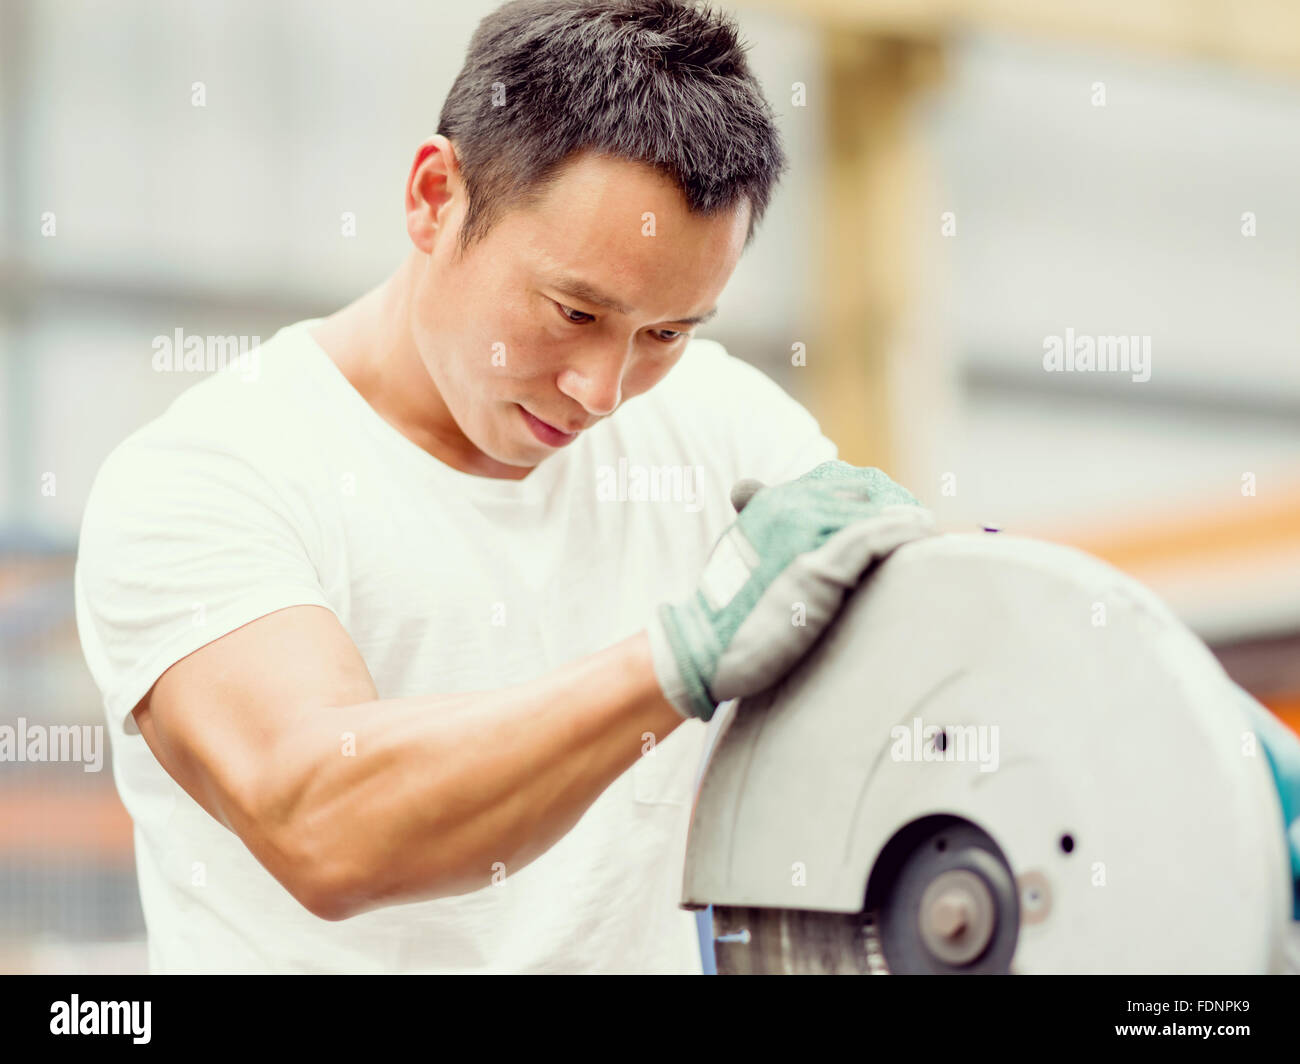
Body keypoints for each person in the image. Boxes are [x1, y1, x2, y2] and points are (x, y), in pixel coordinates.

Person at [73, 0, 931, 973]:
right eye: (573, 310)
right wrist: (678, 657)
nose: (602, 390)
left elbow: (926, 657)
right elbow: (324, 821)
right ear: (436, 197)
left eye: (667, 332)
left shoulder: (719, 425)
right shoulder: (211, 473)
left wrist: (927, 588)